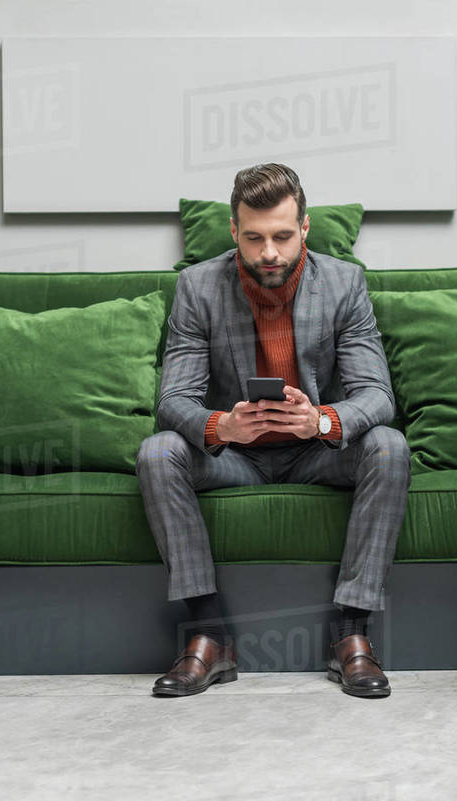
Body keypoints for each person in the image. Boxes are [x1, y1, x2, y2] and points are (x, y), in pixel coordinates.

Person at [136, 163, 410, 699]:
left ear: (304, 227)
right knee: (157, 452)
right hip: (233, 457)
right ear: (234, 232)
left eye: (283, 237)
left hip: (316, 453)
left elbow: (377, 396)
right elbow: (173, 400)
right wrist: (222, 425)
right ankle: (210, 639)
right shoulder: (197, 286)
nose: (269, 253)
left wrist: (322, 419)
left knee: (388, 447)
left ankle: (350, 634)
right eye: (255, 238)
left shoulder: (344, 282)